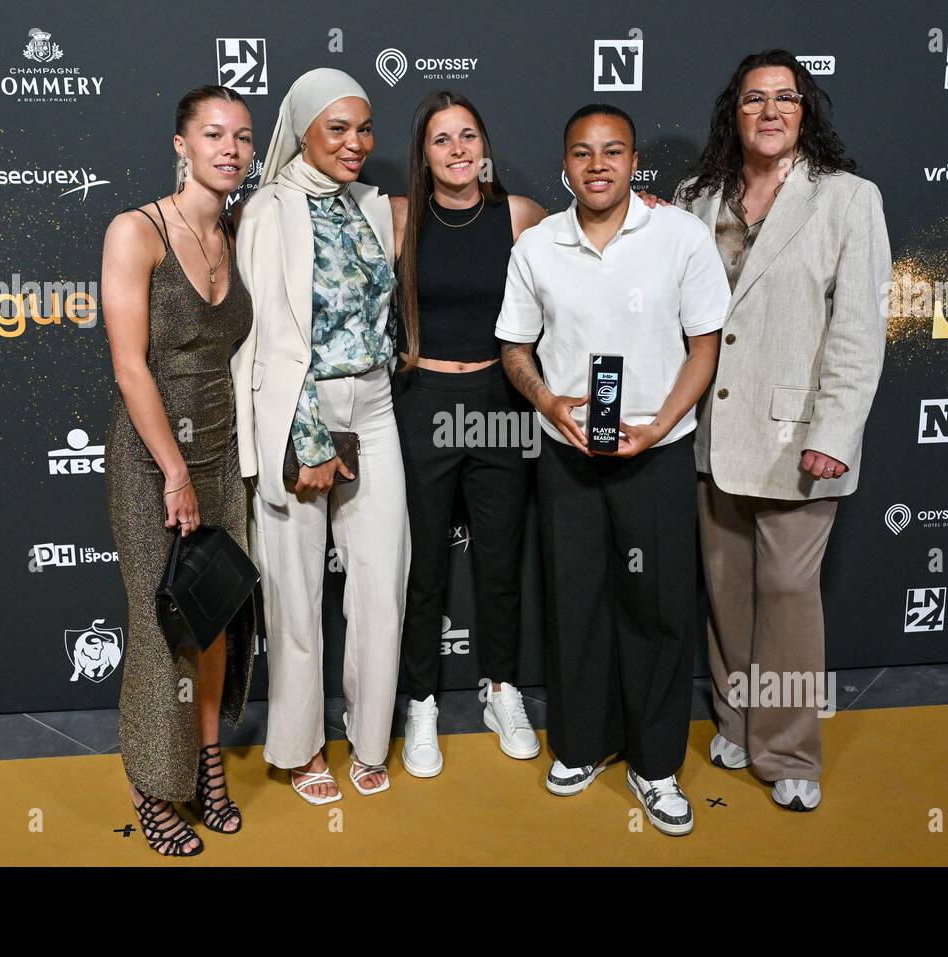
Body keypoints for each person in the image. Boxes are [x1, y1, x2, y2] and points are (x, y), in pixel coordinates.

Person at [497, 104, 729, 836]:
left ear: (633, 162)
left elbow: (705, 346)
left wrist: (660, 424)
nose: (598, 165)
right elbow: (514, 349)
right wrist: (547, 400)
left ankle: (655, 764)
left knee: (658, 609)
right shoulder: (538, 245)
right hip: (567, 455)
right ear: (564, 164)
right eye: (582, 152)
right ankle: (583, 744)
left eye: (613, 151)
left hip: (656, 456)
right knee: (574, 601)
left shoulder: (681, 237)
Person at [674, 49, 891, 812]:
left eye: (786, 98)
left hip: (800, 437)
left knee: (791, 594)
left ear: (806, 111)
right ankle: (735, 721)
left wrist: (834, 428)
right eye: (754, 99)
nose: (770, 111)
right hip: (710, 434)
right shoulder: (697, 198)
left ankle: (790, 747)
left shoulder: (848, 199)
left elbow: (860, 330)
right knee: (728, 593)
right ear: (732, 112)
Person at [232, 68, 407, 804]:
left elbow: (486, 211)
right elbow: (271, 334)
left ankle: (369, 737)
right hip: (300, 411)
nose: (356, 143)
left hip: (374, 404)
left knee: (380, 578)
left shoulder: (372, 205)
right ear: (302, 129)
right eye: (338, 128)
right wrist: (307, 440)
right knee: (296, 591)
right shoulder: (270, 208)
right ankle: (302, 747)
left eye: (364, 128)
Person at [101, 84, 256, 856]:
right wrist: (173, 471)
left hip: (222, 455)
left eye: (243, 138)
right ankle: (152, 788)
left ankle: (204, 764)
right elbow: (131, 368)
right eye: (213, 135)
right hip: (152, 460)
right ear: (181, 145)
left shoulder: (233, 232)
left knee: (215, 619)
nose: (230, 148)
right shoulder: (136, 230)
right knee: (161, 630)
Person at [389, 91, 547, 777]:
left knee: (499, 557)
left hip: (498, 398)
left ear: (485, 145)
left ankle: (502, 690)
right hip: (422, 397)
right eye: (442, 139)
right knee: (422, 565)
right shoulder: (398, 217)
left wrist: (651, 207)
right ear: (423, 154)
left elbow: (598, 236)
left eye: (469, 136)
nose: (458, 150)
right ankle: (421, 702)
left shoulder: (518, 216)